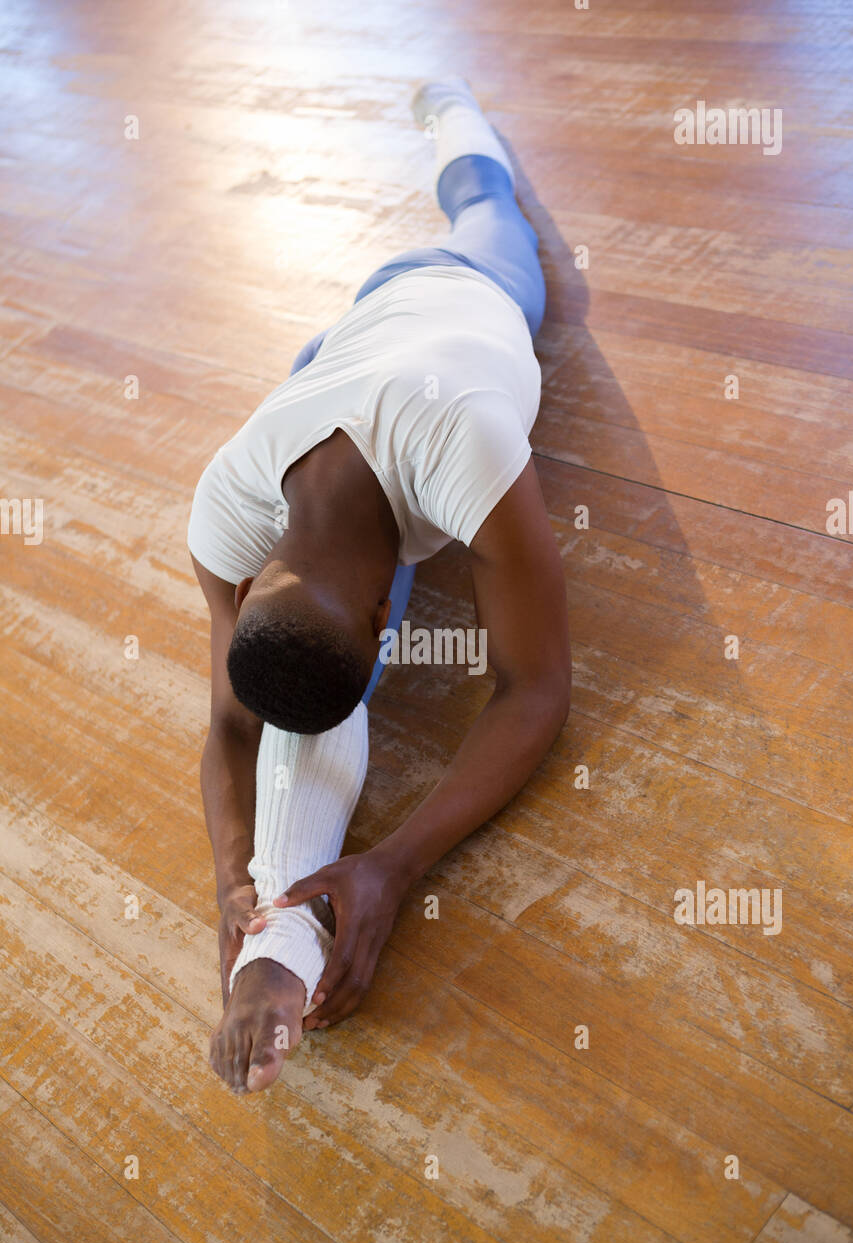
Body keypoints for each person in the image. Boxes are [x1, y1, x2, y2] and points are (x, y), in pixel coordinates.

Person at [188, 78, 571, 1095]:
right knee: (301, 685)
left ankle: (455, 109)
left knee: (487, 198)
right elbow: (234, 718)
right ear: (250, 573)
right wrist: (232, 871)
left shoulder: (467, 451)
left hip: (461, 282)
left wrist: (392, 868)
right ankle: (275, 933)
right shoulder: (225, 506)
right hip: (331, 355)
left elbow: (534, 689)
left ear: (384, 613)